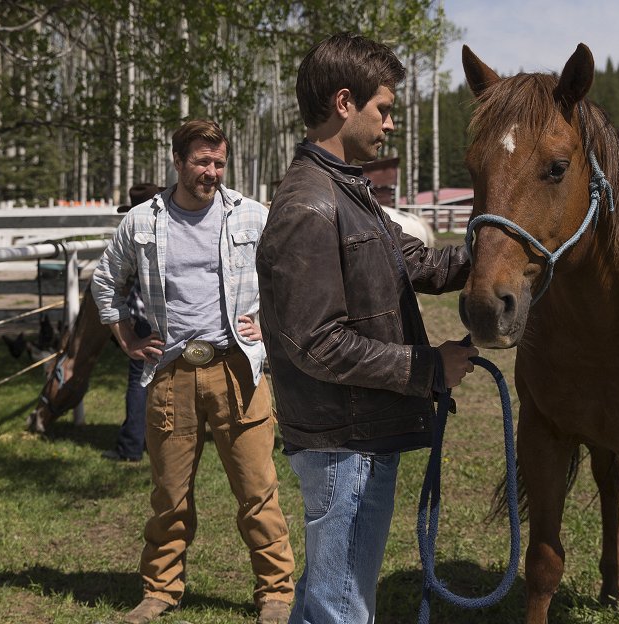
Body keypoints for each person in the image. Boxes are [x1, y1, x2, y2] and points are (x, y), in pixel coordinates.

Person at [255, 33, 477, 624]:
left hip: (355, 433)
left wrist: (500, 247)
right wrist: (426, 368)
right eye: (383, 108)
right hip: (343, 442)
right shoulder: (309, 204)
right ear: (344, 103)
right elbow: (315, 341)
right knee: (341, 609)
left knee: (327, 597)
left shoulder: (346, 190)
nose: (390, 123)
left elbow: (421, 263)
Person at [92, 120, 295, 624]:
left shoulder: (251, 215)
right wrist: (127, 338)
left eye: (219, 163)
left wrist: (269, 325)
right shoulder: (141, 222)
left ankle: (276, 593)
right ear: (178, 161)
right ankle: (159, 590)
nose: (211, 172)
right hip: (171, 373)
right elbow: (106, 280)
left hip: (237, 370)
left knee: (257, 490)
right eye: (202, 162)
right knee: (169, 495)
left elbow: (292, 273)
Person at [102, 183, 163, 463]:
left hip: (145, 316)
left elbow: (111, 277)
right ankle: (159, 440)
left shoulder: (136, 231)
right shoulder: (170, 226)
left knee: (139, 380)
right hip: (171, 316)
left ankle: (131, 444)